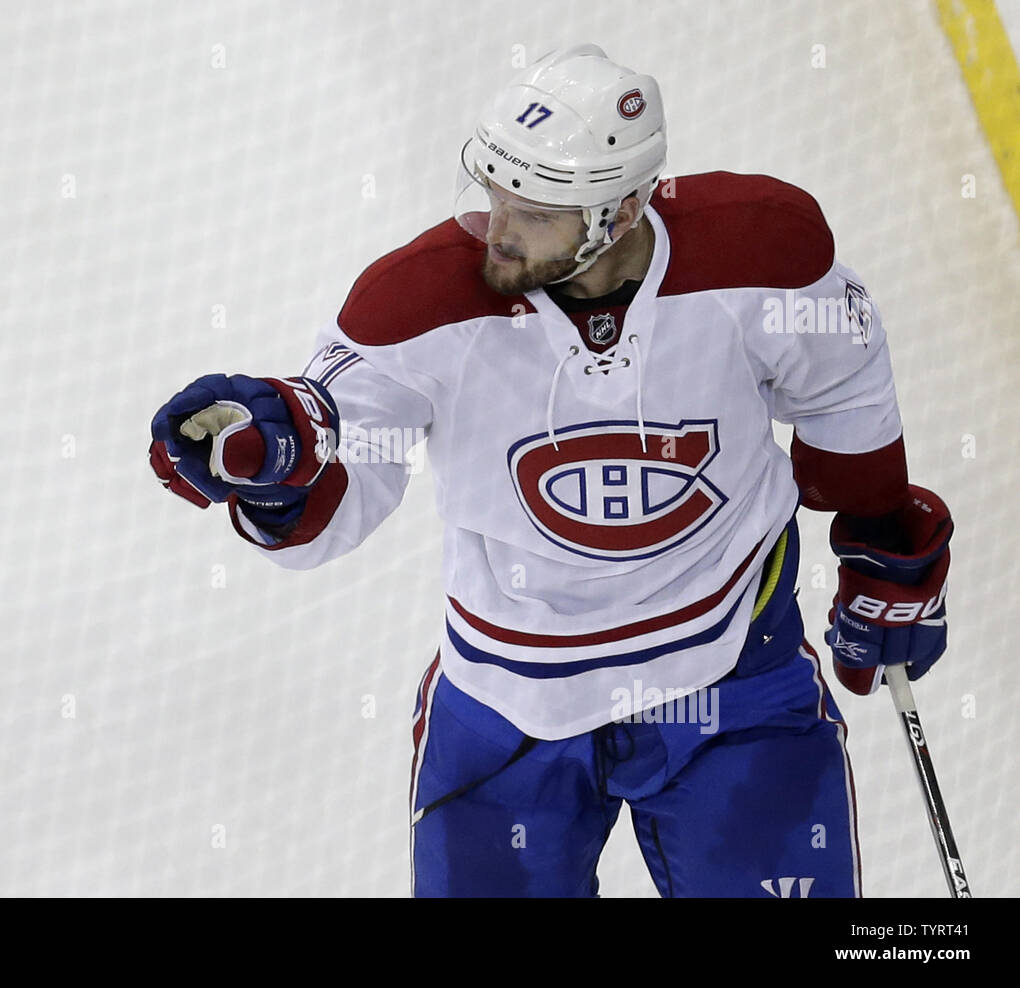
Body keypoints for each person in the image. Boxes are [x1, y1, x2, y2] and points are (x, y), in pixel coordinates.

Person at [149, 44, 952, 897]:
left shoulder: (762, 258)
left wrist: (876, 524)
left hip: (733, 682)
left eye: (535, 210)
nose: (498, 227)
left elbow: (842, 382)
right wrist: (278, 468)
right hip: (507, 710)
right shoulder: (418, 307)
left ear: (626, 207)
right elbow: (340, 465)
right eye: (495, 193)